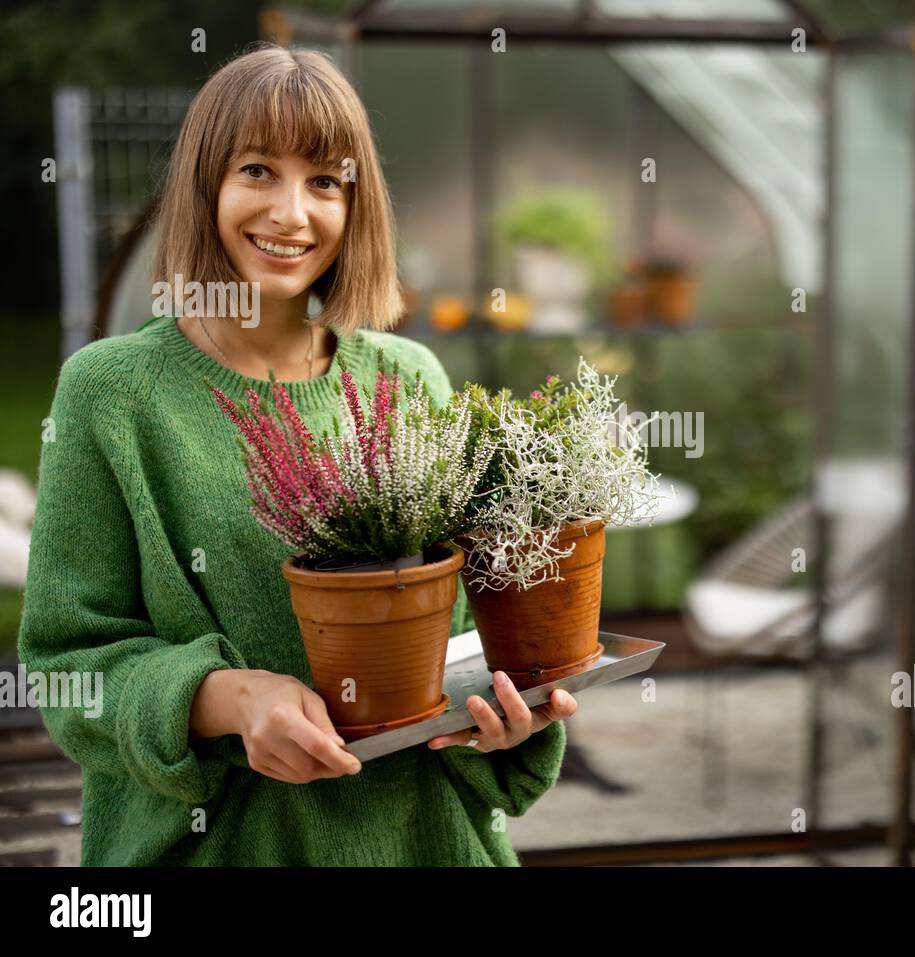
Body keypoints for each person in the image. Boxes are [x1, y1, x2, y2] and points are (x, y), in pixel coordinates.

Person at [18, 44, 576, 866]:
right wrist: (223, 698)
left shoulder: (408, 378)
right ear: (205, 183)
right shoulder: (112, 393)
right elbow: (69, 665)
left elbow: (462, 634)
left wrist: (503, 712)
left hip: (425, 842)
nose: (291, 213)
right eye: (256, 170)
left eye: (325, 180)